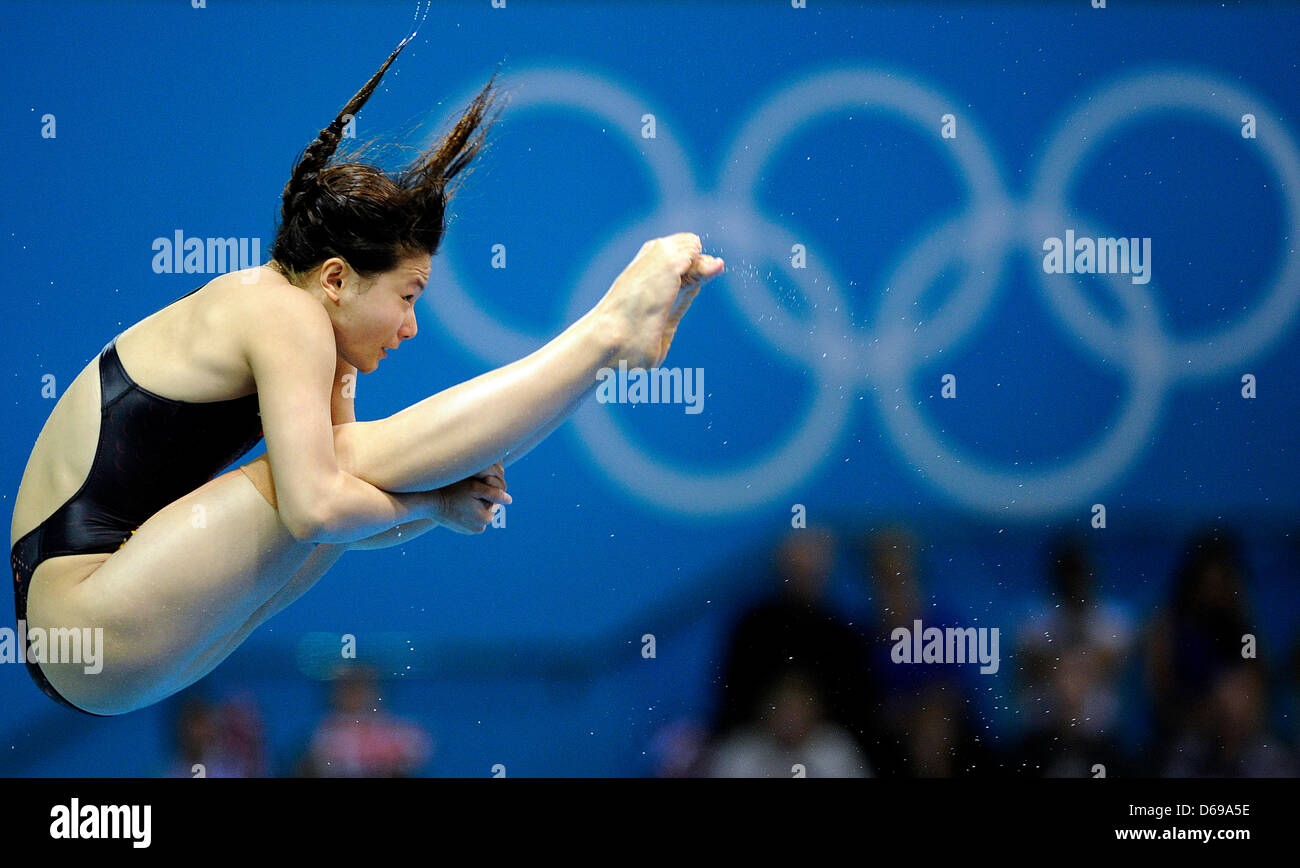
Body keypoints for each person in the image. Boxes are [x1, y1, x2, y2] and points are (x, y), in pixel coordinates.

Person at [9, 34, 724, 717]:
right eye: (408, 296)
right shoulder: (278, 311)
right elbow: (318, 508)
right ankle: (603, 338)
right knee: (331, 473)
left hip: (108, 648)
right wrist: (432, 509)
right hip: (87, 613)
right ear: (336, 279)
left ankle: (604, 350)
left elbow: (341, 517)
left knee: (345, 477)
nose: (412, 326)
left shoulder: (311, 335)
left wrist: (434, 501)